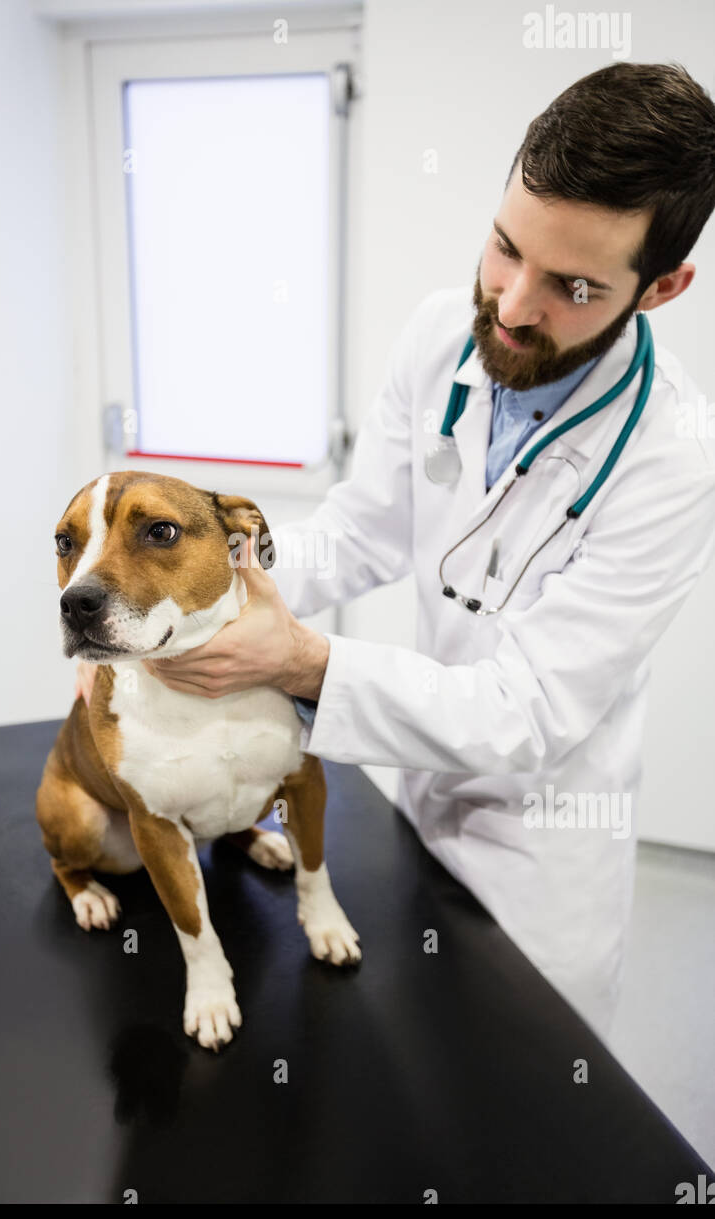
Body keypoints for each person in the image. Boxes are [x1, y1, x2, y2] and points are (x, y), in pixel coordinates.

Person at [76, 62, 715, 1042]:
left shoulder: (673, 458)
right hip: (413, 799)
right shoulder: (436, 337)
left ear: (662, 287)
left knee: (518, 1106)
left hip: (538, 849)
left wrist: (299, 659)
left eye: (570, 286)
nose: (508, 305)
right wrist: (197, 583)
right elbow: (360, 529)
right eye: (503, 248)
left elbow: (528, 710)